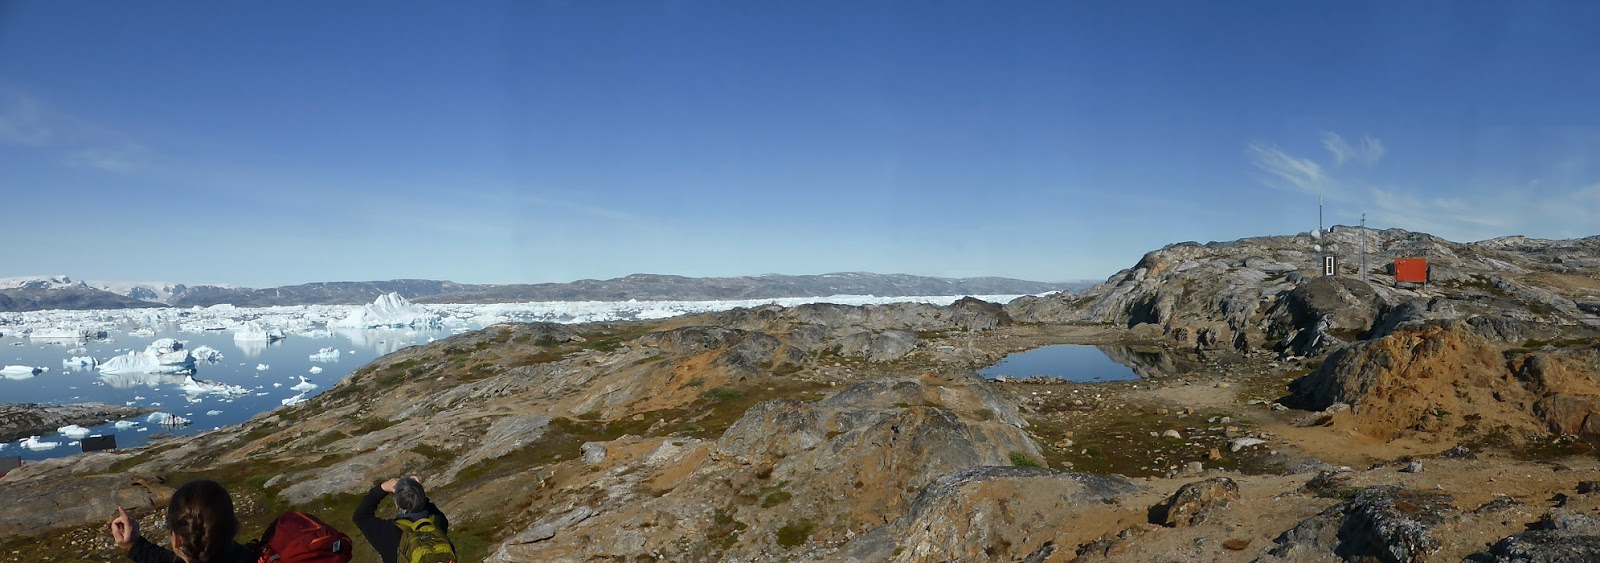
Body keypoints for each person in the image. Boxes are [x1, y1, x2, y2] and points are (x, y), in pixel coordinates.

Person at [108, 479, 256, 563]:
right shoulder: (253, 558)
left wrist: (132, 545)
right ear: (236, 526)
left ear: (176, 540)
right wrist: (134, 545)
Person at [352, 475, 452, 563]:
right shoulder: (436, 522)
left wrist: (382, 489)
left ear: (397, 504)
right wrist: (415, 489)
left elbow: (360, 516)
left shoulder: (386, 532)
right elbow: (428, 507)